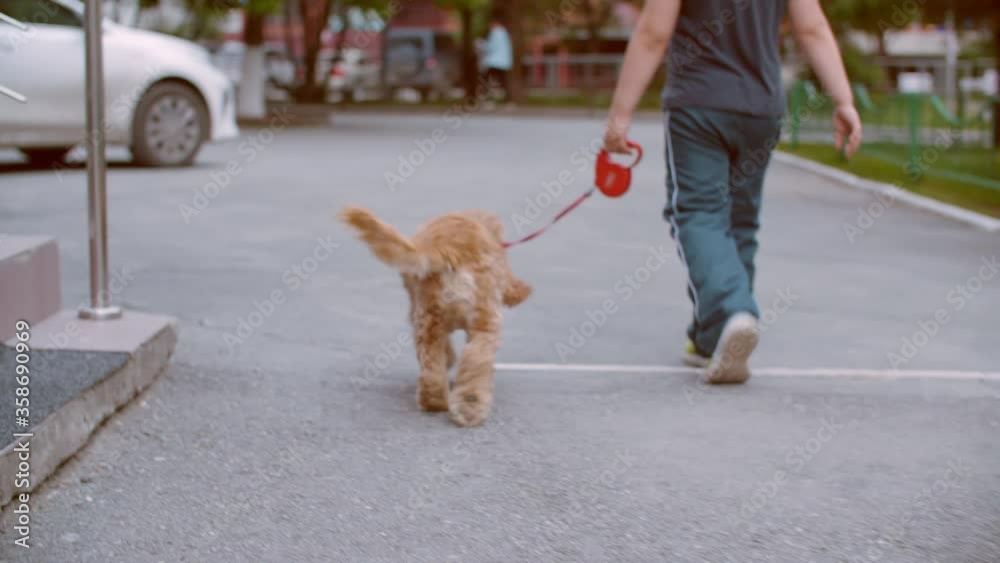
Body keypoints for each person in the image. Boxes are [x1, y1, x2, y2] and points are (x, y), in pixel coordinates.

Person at [603, 0, 862, 383]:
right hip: (762, 108)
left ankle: (732, 310)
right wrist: (843, 100)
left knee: (698, 213)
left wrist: (620, 116)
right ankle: (712, 339)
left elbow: (653, 32)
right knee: (739, 221)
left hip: (699, 104)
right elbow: (813, 28)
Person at [482, 15, 513, 103]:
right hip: (503, 62)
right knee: (503, 81)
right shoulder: (504, 32)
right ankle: (508, 100)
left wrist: (483, 45)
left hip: (494, 61)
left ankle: (488, 99)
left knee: (487, 80)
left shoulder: (495, 32)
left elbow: (492, 46)